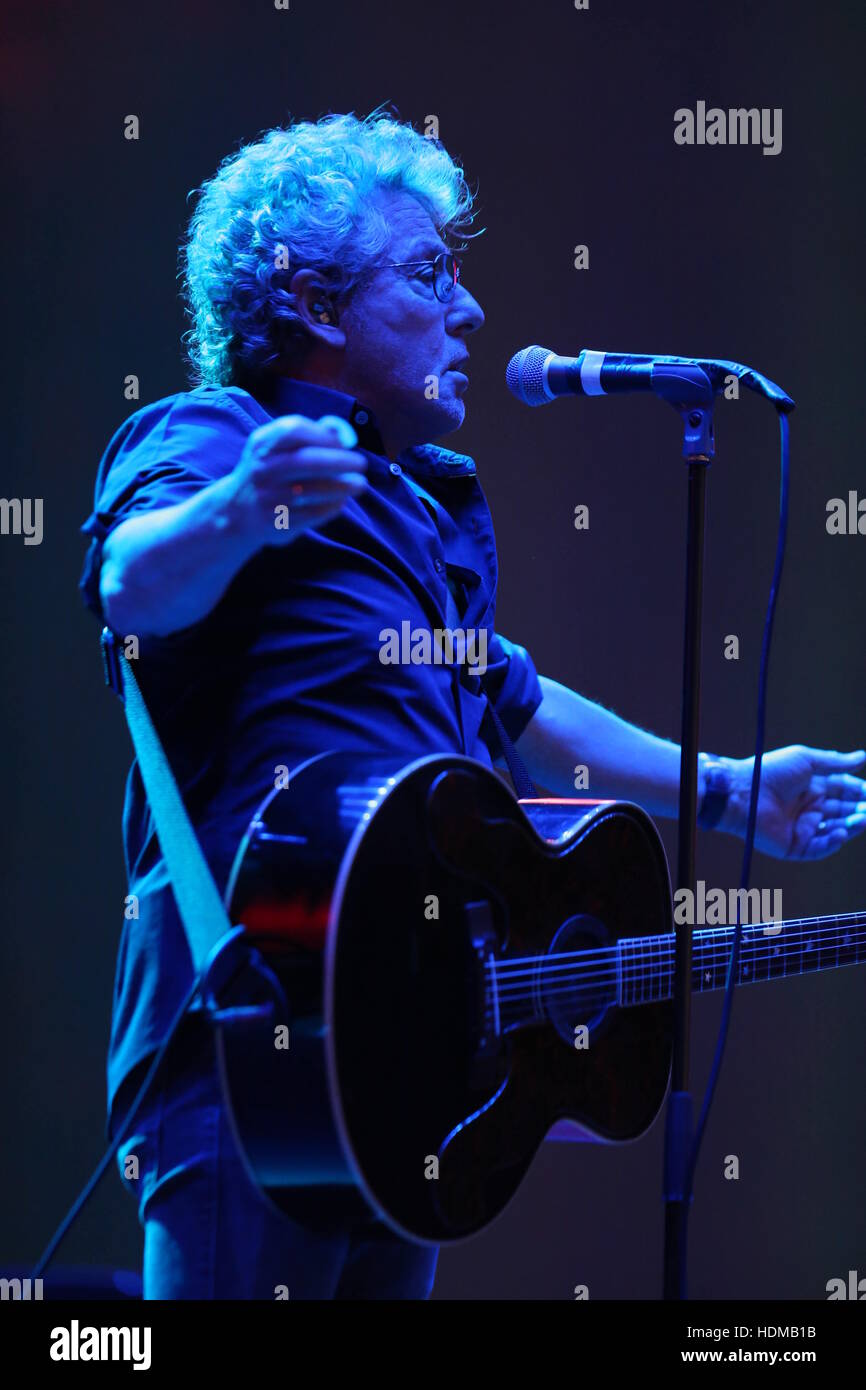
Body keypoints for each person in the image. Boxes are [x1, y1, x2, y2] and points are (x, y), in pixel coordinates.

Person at [79, 111, 866, 1300]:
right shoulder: (211, 437)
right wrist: (240, 509)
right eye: (430, 273)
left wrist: (727, 792)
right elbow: (130, 582)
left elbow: (524, 699)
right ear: (315, 306)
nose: (471, 311)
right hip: (253, 1044)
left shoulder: (427, 506)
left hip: (418, 1061)